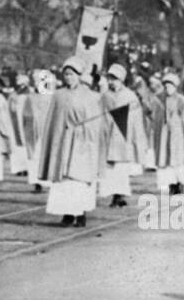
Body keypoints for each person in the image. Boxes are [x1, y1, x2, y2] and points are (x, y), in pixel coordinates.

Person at [36, 57, 104, 227]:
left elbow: (95, 123)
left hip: (82, 143)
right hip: (62, 143)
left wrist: (83, 133)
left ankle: (80, 213)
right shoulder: (58, 95)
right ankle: (67, 213)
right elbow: (53, 120)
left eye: (72, 74)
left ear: (79, 75)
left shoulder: (89, 96)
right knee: (64, 180)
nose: (68, 77)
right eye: (66, 74)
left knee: (79, 179)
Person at [99, 63, 150, 207]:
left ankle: (119, 195)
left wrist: (137, 139)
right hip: (108, 135)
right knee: (110, 168)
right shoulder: (105, 96)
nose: (111, 82)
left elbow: (136, 120)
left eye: (114, 79)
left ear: (121, 79)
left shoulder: (129, 96)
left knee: (121, 168)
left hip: (123, 136)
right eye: (109, 78)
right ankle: (113, 194)